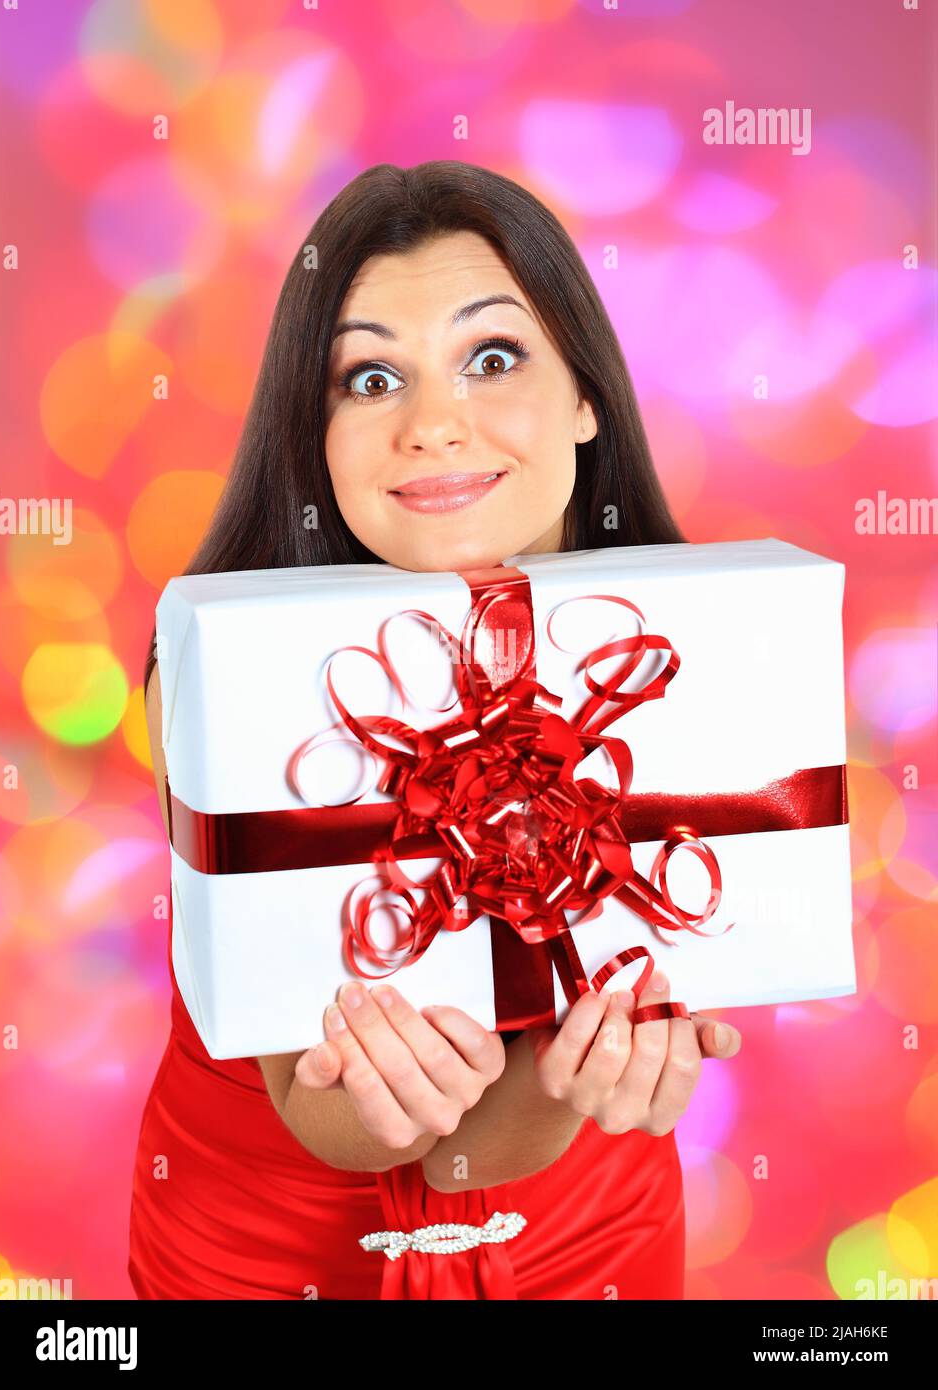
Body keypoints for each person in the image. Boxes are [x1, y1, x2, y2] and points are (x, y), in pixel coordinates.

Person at [128, 160, 742, 1302]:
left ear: (582, 395)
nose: (433, 425)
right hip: (273, 1245)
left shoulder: (676, 652)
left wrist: (588, 1070)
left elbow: (515, 1137)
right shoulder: (219, 664)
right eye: (370, 377)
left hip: (589, 1229)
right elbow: (332, 1116)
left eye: (492, 358)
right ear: (314, 431)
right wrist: (413, 1093)